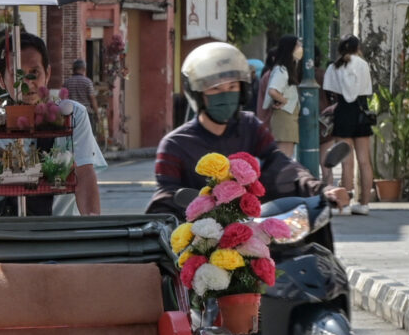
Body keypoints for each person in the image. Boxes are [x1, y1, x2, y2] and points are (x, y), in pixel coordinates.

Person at [149, 41, 349, 217]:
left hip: (256, 230)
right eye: (215, 89)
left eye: (232, 87)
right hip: (201, 242)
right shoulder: (176, 144)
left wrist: (320, 189)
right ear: (198, 94)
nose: (225, 95)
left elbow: (280, 164)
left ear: (242, 91)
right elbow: (166, 196)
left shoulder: (249, 127)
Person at [0, 32, 104, 217]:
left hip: (57, 232)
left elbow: (84, 174)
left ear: (48, 73)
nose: (27, 82)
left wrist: (92, 226)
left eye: (34, 72)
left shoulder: (72, 115)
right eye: (16, 74)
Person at [322, 36, 374, 216]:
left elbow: (330, 89)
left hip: (343, 111)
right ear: (357, 47)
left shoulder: (334, 67)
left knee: (346, 161)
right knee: (365, 161)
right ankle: (365, 204)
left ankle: (343, 205)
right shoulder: (363, 64)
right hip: (361, 110)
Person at [261, 37, 303, 148]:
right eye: (298, 46)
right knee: (285, 155)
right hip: (285, 116)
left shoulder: (286, 69)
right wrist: (284, 101)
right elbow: (272, 91)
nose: (300, 49)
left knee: (285, 154)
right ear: (290, 49)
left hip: (287, 115)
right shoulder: (282, 70)